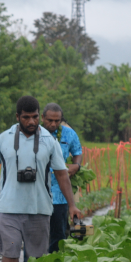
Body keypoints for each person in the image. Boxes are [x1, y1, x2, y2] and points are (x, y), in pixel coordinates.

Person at [0, 95, 79, 262]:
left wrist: (72, 205)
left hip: (39, 209)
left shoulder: (49, 141)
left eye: (35, 116)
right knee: (9, 254)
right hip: (8, 209)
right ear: (17, 116)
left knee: (36, 259)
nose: (31, 121)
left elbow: (62, 175)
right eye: (26, 117)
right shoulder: (3, 139)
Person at [41, 104, 83, 253]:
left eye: (57, 121)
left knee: (58, 235)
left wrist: (76, 165)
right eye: (50, 120)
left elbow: (77, 151)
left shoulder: (69, 134)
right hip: (38, 193)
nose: (53, 124)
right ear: (42, 118)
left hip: (60, 193)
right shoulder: (34, 134)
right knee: (38, 235)